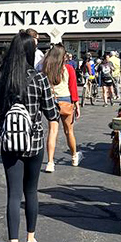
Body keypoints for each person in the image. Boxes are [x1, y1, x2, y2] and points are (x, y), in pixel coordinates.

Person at [0, 31, 59, 242]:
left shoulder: (2, 78)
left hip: (10, 145)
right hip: (34, 143)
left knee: (12, 195)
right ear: (30, 52)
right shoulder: (38, 79)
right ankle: (30, 241)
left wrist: (4, 134)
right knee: (31, 192)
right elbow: (52, 113)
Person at [42, 43, 82, 171]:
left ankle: (50, 162)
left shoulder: (47, 68)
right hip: (66, 100)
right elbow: (73, 87)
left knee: (52, 131)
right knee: (69, 131)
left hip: (51, 101)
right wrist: (76, 103)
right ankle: (74, 157)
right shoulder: (69, 69)